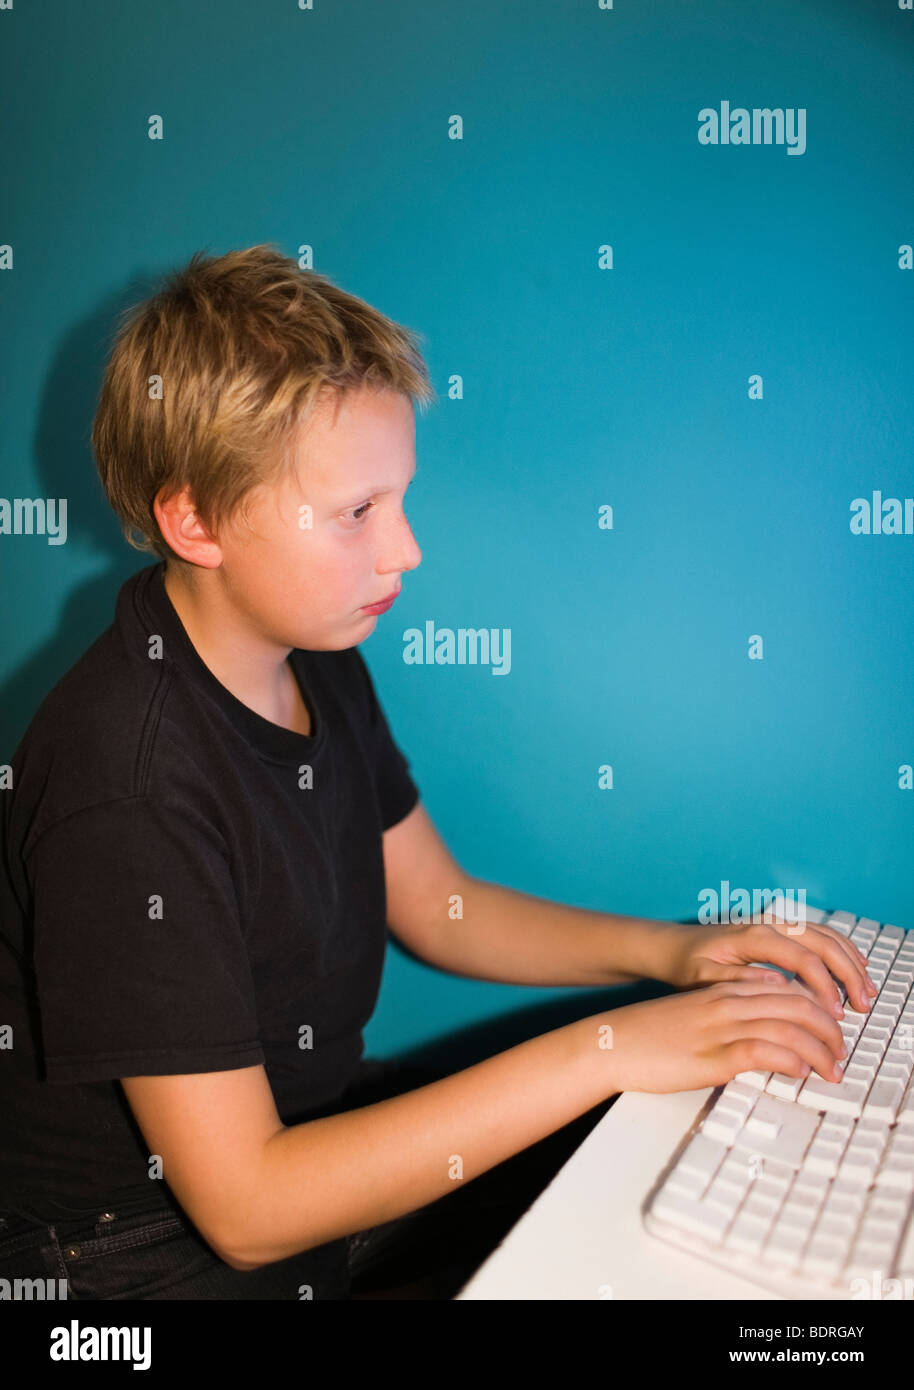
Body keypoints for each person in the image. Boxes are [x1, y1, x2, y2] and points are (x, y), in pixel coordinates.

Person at [0, 245, 878, 1301]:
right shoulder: (126, 779)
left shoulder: (314, 652)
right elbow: (246, 1213)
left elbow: (439, 905)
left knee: (657, 1097)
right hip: (131, 1256)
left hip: (306, 1134)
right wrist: (610, 1044)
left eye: (400, 498)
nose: (405, 550)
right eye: (356, 512)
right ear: (195, 519)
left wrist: (676, 950)